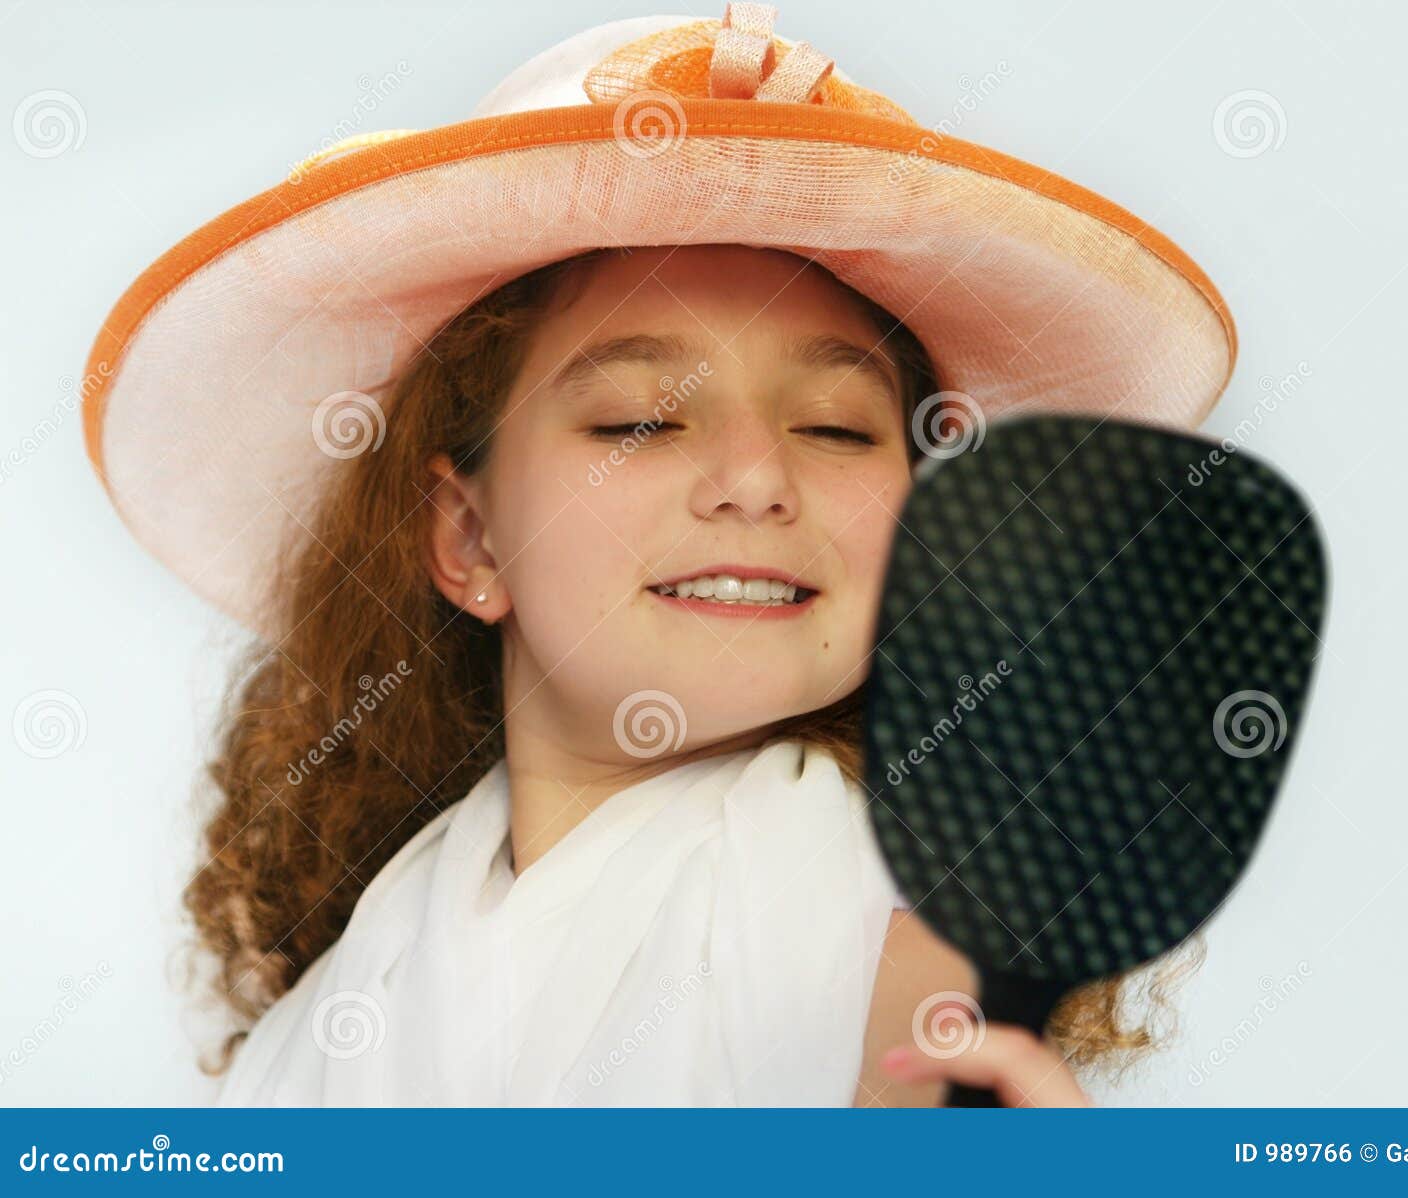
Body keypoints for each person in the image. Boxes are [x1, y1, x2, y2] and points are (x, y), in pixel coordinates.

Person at [79, 5, 1233, 1107]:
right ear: (470, 537)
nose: (756, 477)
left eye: (835, 426)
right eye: (639, 418)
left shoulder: (897, 926)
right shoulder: (336, 1016)